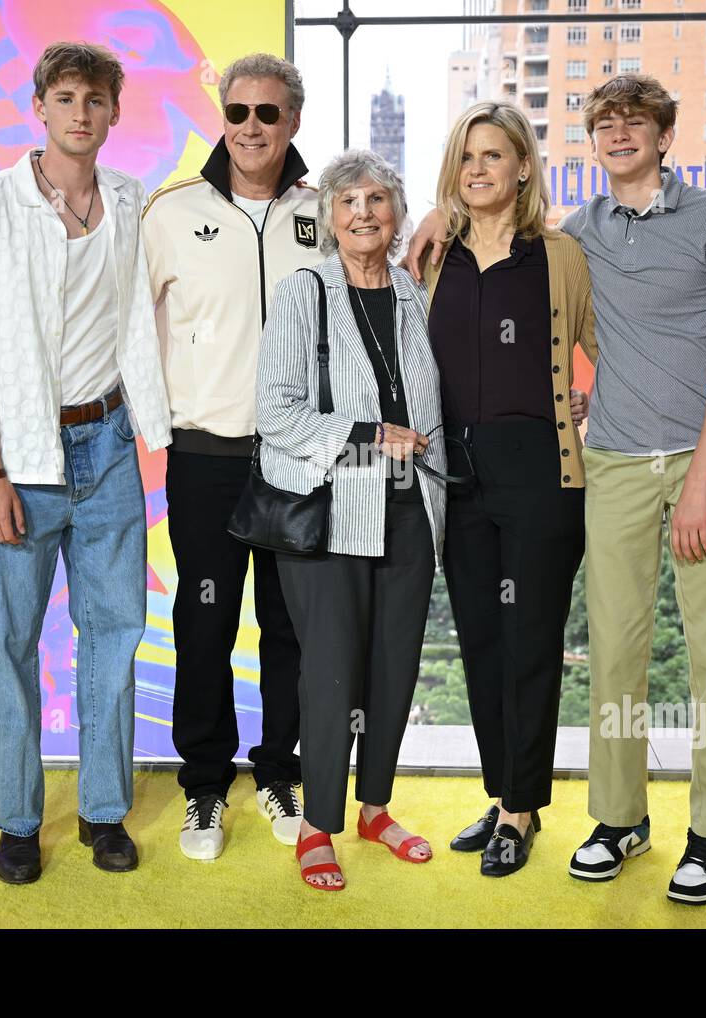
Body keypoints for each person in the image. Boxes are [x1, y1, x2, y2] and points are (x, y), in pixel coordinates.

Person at [410, 72, 706, 904]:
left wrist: (700, 481)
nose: (619, 136)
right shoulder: (587, 231)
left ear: (664, 135)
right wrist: (437, 213)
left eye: (635, 124)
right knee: (615, 659)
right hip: (608, 463)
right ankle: (619, 816)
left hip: (698, 464)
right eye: (606, 125)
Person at [0, 42, 171, 883]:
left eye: (98, 99)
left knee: (114, 637)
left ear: (115, 113)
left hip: (108, 444)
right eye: (67, 96)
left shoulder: (130, 199)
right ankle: (15, 820)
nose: (82, 112)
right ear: (40, 105)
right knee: (7, 644)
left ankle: (104, 813)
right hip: (19, 454)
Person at [142, 53, 323, 860]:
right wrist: (160, 433)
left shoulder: (328, 212)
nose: (252, 127)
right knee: (206, 620)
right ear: (223, 116)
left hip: (297, 459)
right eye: (238, 111)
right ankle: (205, 787)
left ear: (293, 121)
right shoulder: (171, 214)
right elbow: (130, 333)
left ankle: (281, 771)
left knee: (290, 624)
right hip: (206, 457)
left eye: (269, 113)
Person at [417, 101, 599, 878]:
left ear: (523, 167)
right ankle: (502, 795)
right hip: (455, 475)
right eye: (467, 157)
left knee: (529, 645)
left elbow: (609, 349)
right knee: (482, 643)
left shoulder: (560, 256)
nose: (479, 169)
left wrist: (586, 405)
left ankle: (523, 811)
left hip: (540, 474)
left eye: (495, 155)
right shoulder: (430, 257)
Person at [258, 149, 448, 891]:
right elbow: (274, 409)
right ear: (328, 219)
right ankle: (318, 824)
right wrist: (370, 433)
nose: (364, 212)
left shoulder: (411, 291)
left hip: (412, 506)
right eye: (349, 202)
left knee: (393, 665)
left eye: (377, 200)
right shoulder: (306, 290)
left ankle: (375, 807)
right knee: (333, 669)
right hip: (335, 506)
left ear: (396, 215)